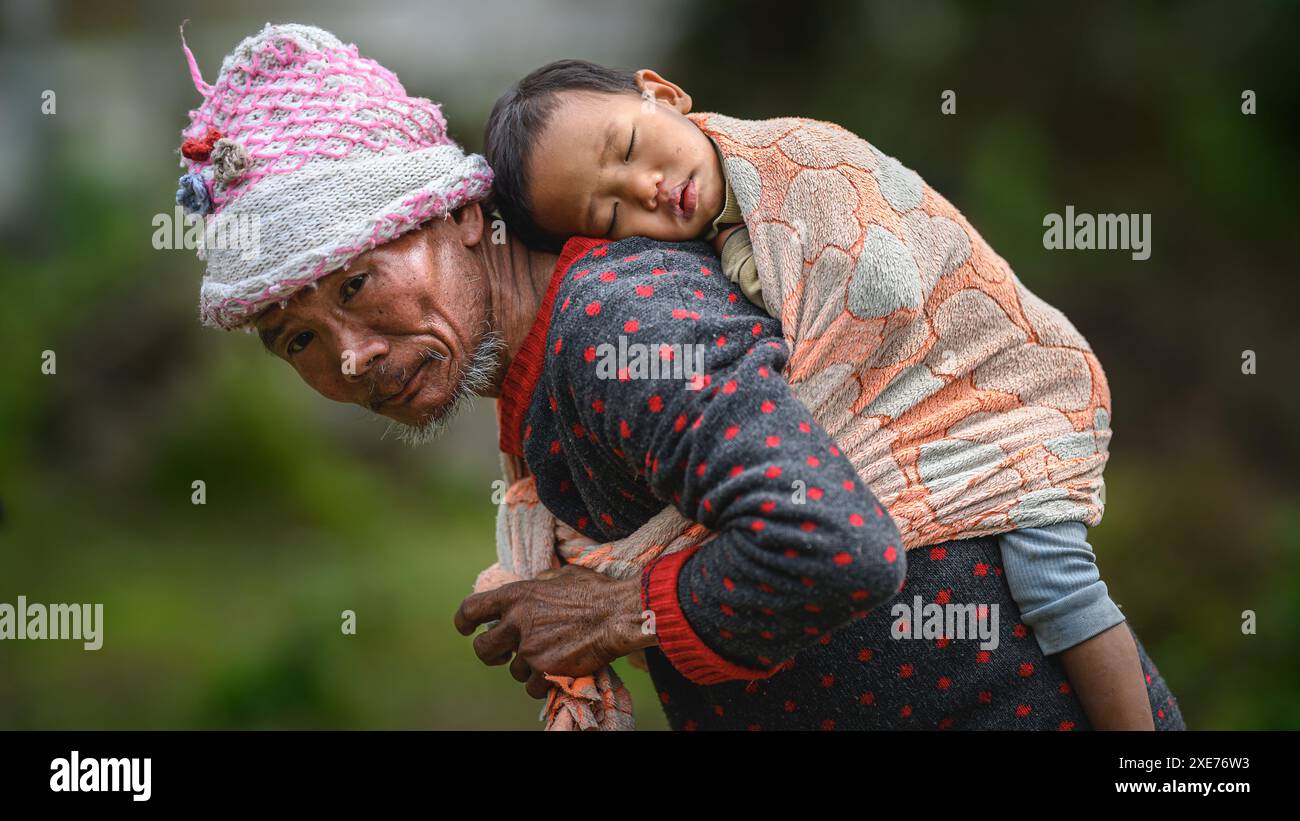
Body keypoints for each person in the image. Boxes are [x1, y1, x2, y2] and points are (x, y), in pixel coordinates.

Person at [175, 23, 1184, 730]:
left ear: (458, 215)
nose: (349, 354)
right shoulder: (546, 376)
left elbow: (832, 545)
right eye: (294, 339)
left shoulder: (613, 320)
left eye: (357, 283)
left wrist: (616, 610)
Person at [482, 59, 1161, 729]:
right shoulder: (698, 262)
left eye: (629, 147)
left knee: (1055, 582)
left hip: (1001, 386)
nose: (647, 188)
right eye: (610, 210)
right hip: (923, 432)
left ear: (662, 93)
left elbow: (885, 284)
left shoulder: (799, 160)